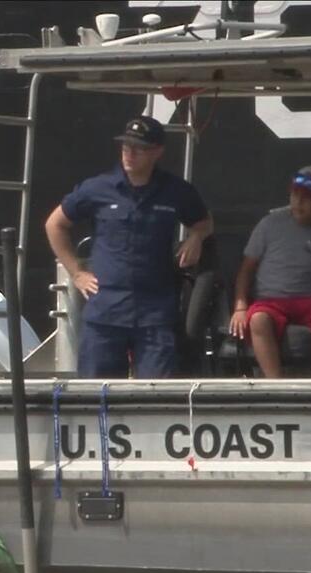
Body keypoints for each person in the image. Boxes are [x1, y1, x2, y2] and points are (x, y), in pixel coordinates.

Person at [45, 115, 213, 378]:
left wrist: (196, 237)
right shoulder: (97, 188)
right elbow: (55, 224)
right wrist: (76, 272)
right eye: (126, 146)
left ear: (157, 152)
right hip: (106, 311)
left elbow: (204, 222)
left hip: (155, 312)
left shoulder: (176, 191)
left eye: (139, 148)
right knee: (97, 395)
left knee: (156, 395)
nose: (130, 153)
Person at [228, 166, 311, 378]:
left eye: (308, 197)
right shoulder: (269, 225)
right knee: (257, 320)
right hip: (270, 300)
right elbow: (246, 270)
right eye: (295, 194)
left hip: (307, 298)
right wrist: (240, 307)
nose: (299, 202)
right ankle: (275, 385)